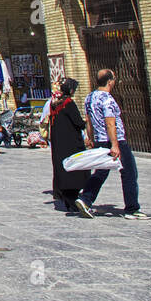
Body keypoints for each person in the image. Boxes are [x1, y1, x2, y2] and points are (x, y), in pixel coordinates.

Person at [75, 69, 148, 219]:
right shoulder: (107, 99)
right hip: (115, 141)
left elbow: (88, 120)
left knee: (101, 172)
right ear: (110, 81)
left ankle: (85, 199)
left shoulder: (90, 97)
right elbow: (110, 123)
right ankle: (132, 208)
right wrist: (115, 145)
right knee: (129, 173)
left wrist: (89, 137)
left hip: (100, 140)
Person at [48, 78, 90, 213]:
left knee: (63, 168)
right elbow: (77, 122)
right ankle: (72, 199)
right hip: (71, 143)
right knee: (75, 169)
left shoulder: (55, 104)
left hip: (59, 143)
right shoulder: (68, 103)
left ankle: (67, 198)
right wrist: (87, 122)